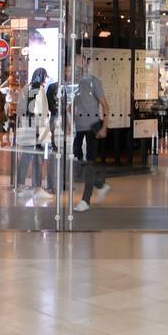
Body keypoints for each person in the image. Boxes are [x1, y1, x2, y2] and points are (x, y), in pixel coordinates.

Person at [71, 51, 109, 213]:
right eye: (75, 62)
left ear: (85, 64)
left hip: (92, 127)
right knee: (80, 163)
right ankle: (100, 185)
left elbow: (105, 106)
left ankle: (86, 200)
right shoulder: (74, 84)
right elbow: (71, 105)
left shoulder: (94, 82)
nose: (77, 65)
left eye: (80, 62)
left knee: (90, 164)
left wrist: (103, 127)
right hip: (79, 129)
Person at [16, 67, 54, 200]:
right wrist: (40, 129)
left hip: (26, 125)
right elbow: (37, 110)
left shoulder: (26, 87)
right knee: (37, 157)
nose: (46, 80)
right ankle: (36, 187)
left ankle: (21, 185)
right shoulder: (38, 89)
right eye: (45, 77)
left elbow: (21, 109)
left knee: (26, 157)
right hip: (36, 127)